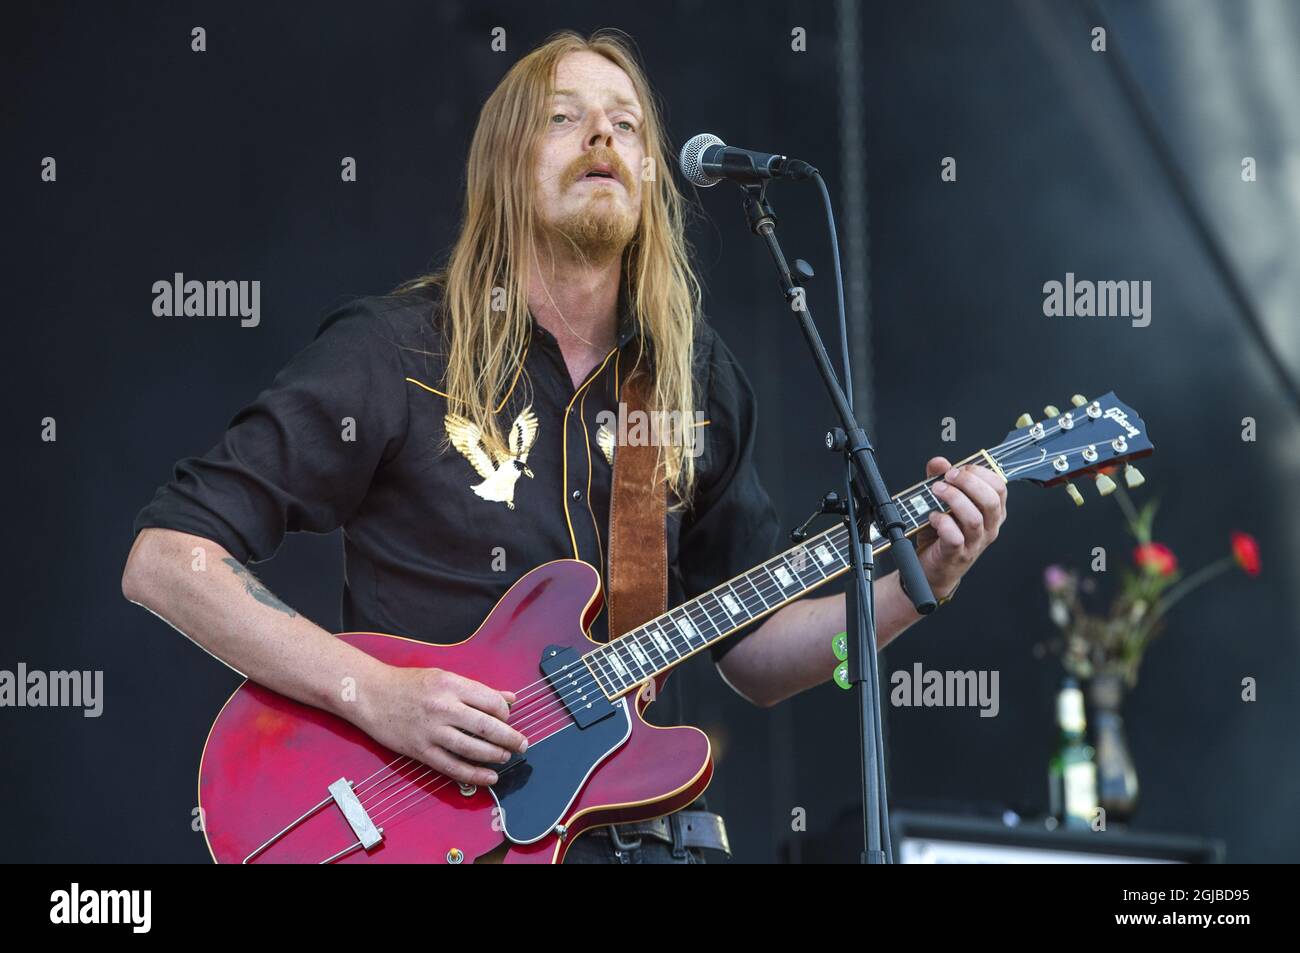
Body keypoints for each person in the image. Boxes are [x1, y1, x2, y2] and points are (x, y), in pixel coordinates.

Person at [121, 29, 1008, 864]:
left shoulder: (694, 380)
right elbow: (165, 559)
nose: (602, 137)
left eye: (626, 124)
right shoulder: (395, 352)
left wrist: (911, 587)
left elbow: (758, 661)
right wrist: (376, 694)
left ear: (652, 174)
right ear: (508, 161)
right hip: (417, 831)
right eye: (564, 117)